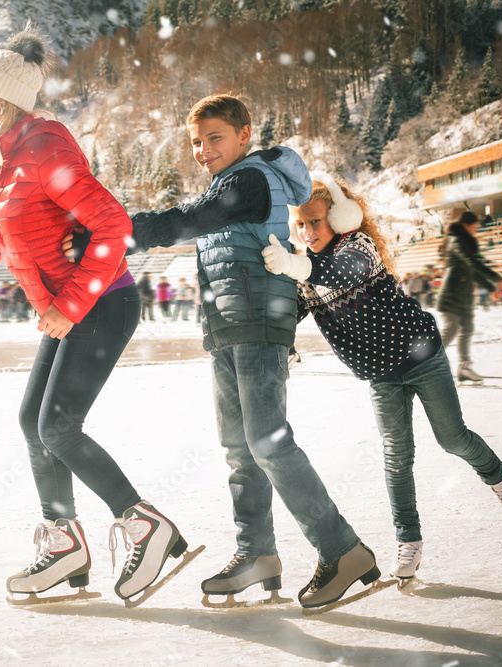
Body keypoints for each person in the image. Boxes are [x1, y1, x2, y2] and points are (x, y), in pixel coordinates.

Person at [0, 26, 190, 604]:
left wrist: (70, 306)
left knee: (57, 427)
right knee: (35, 423)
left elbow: (113, 226)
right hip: (68, 308)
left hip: (102, 300)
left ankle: (144, 524)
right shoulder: (1, 163)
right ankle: (65, 543)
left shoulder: (46, 147)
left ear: (4, 100)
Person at [65, 93, 375, 609]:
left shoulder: (251, 179)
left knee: (268, 444)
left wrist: (112, 234)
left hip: (258, 324)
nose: (203, 149)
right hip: (230, 327)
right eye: (196, 141)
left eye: (215, 138)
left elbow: (189, 219)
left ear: (244, 135)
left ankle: (342, 550)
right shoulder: (230, 180)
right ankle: (257, 554)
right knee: (240, 449)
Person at [262, 172, 502, 580]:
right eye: (299, 223)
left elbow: (338, 272)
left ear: (339, 217)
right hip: (380, 375)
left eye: (314, 221)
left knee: (452, 438)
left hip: (422, 357)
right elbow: (286, 315)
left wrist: (294, 265)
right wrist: (277, 341)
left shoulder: (358, 247)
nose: (307, 231)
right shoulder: (305, 275)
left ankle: (498, 477)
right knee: (396, 457)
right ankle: (408, 541)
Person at [437, 211, 501, 382]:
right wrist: (497, 279)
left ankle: (464, 368)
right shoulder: (456, 241)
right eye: (475, 226)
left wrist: (491, 287)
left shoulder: (465, 242)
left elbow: (472, 271)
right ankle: (427, 364)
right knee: (451, 329)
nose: (476, 230)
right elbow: (472, 264)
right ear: (466, 225)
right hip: (451, 294)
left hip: (463, 296)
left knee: (467, 329)